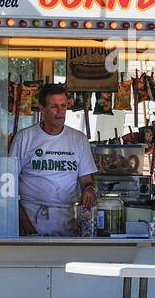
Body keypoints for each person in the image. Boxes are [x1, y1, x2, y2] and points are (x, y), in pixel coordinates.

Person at [10, 84, 98, 236]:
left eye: (63, 106)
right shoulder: (24, 138)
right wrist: (24, 223)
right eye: (54, 106)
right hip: (30, 219)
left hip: (66, 222)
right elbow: (8, 185)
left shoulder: (79, 139)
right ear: (41, 108)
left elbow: (87, 181)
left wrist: (90, 190)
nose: (60, 111)